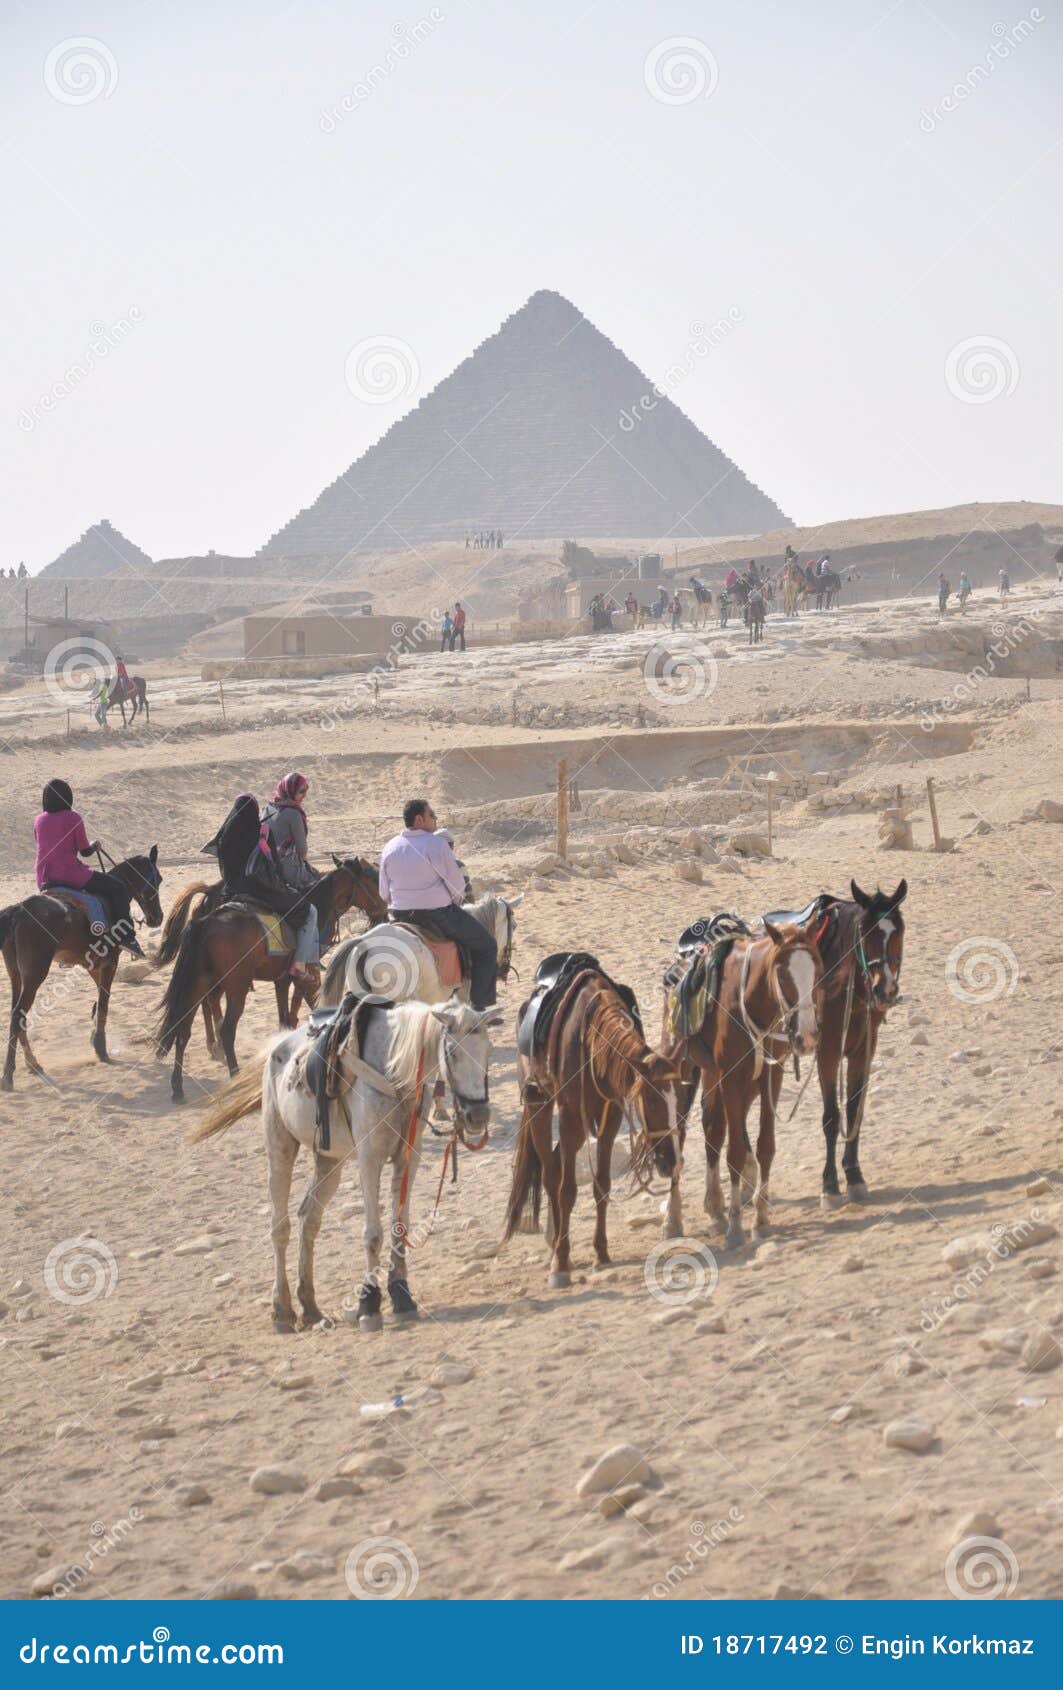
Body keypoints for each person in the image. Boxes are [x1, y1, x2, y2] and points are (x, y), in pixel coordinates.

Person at [379, 798, 497, 1009]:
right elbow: (457, 886)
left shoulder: (390, 846)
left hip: (399, 915)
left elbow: (383, 892)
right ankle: (479, 1007)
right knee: (487, 946)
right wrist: (453, 901)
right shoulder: (436, 844)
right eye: (432, 815)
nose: (435, 819)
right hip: (438, 914)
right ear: (419, 819)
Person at [34, 779, 144, 956]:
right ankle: (127, 937)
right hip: (70, 874)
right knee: (118, 887)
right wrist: (95, 845)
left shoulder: (38, 820)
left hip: (44, 878)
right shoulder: (73, 817)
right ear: (67, 797)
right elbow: (84, 852)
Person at [257, 772, 321, 982]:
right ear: (292, 791)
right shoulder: (294, 814)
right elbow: (302, 851)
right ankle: (302, 962)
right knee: (314, 906)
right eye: (301, 791)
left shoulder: (268, 808)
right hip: (289, 871)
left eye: (305, 792)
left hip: (267, 870)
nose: (303, 796)